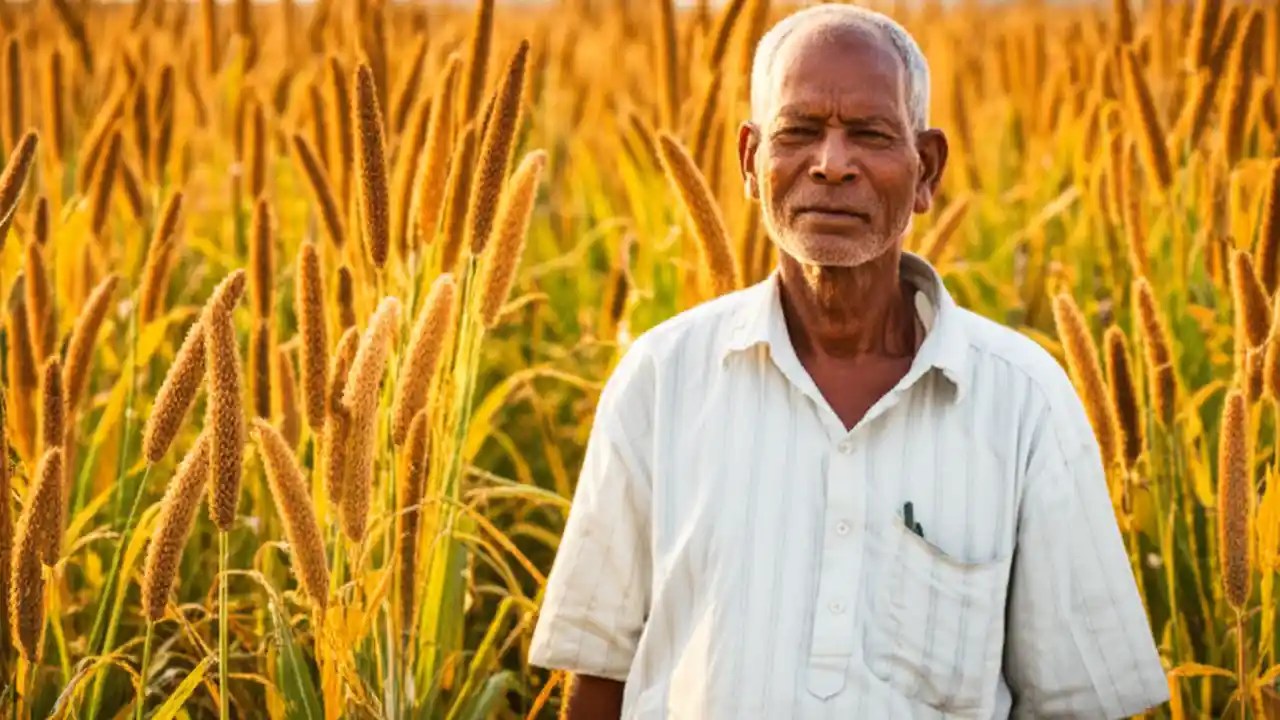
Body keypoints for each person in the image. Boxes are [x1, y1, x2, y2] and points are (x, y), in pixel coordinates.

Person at [527, 4, 1169, 718]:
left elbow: (1077, 704)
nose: (831, 165)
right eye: (799, 132)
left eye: (869, 134)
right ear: (749, 161)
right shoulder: (658, 380)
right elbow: (598, 675)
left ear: (926, 169)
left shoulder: (1025, 403)